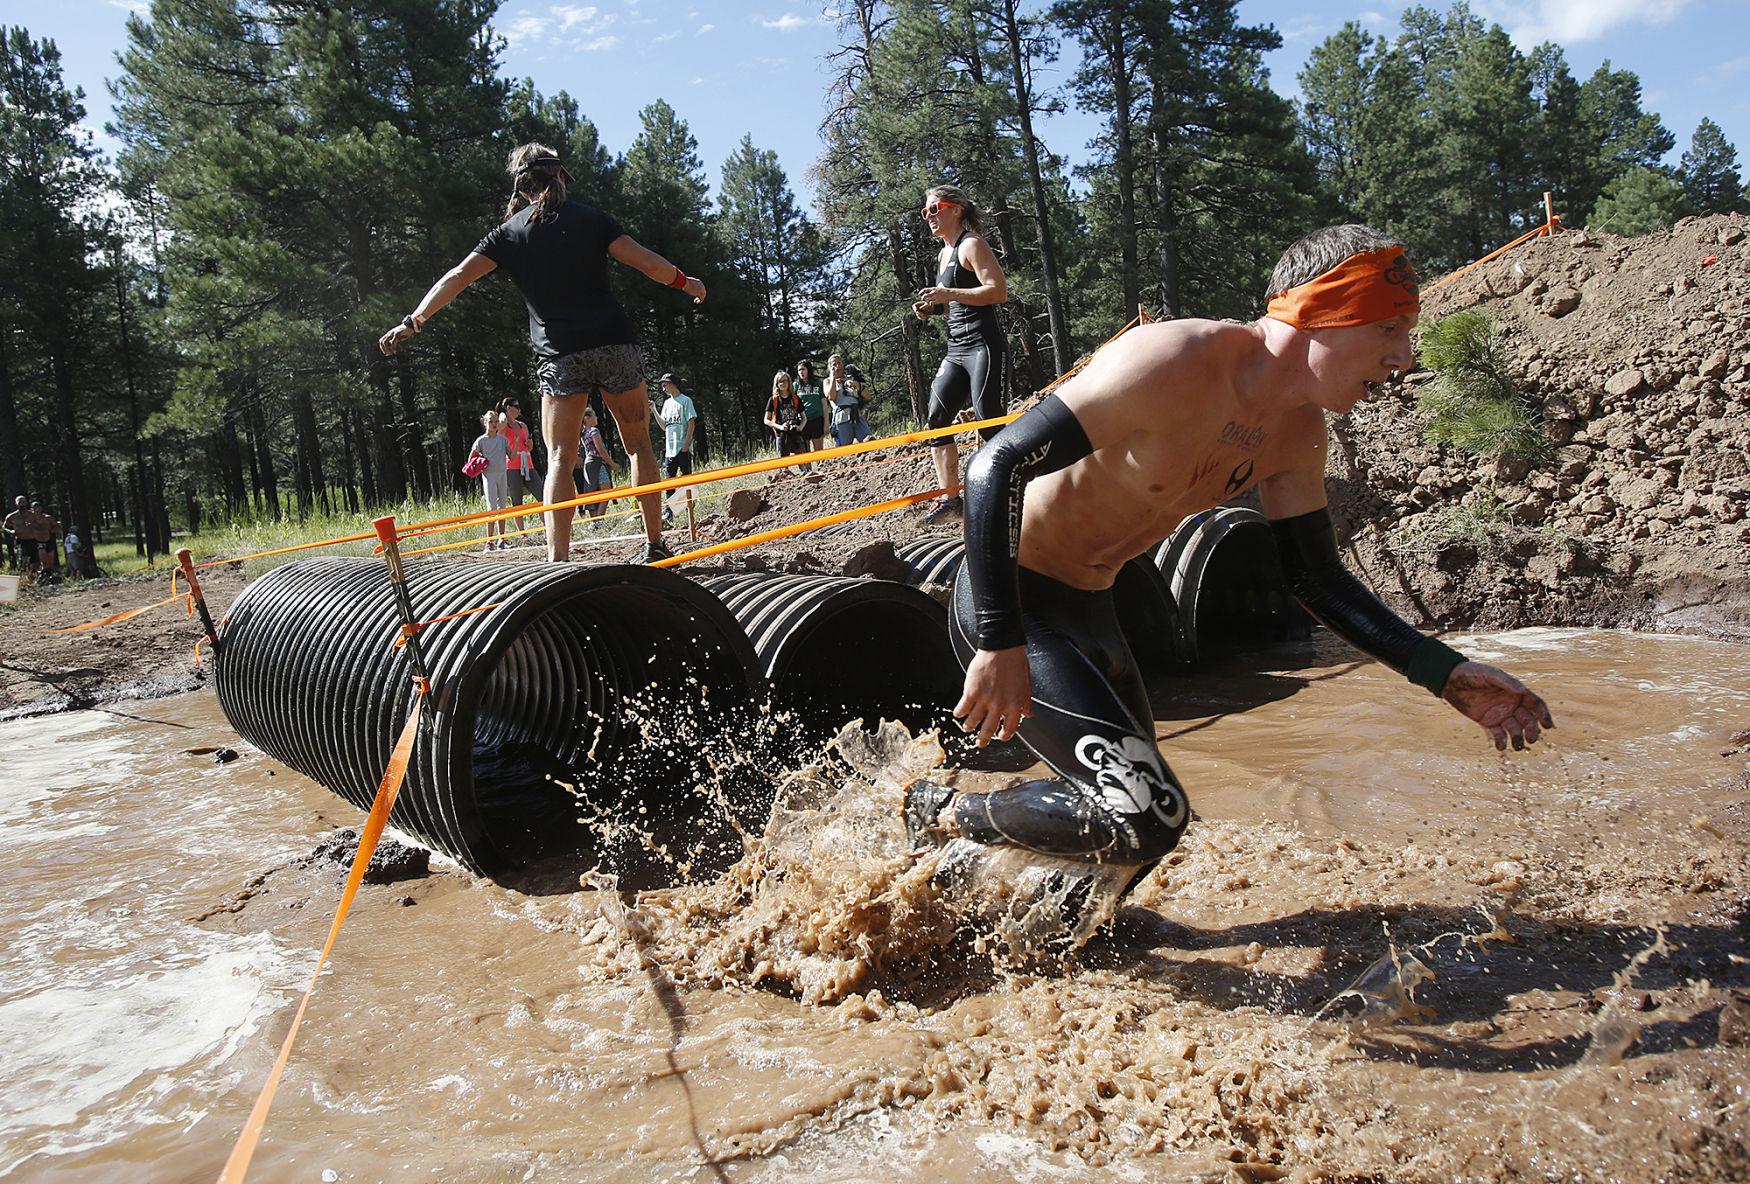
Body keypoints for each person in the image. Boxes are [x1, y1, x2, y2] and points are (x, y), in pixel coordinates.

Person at [905, 224, 1554, 907]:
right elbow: (996, 465)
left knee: (1127, 850)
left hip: (1095, 609)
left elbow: (1316, 580)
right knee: (1146, 815)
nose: (1404, 357)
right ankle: (941, 812)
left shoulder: (1299, 432)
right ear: (1319, 313)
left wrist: (1443, 673)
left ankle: (994, 919)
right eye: (1389, 330)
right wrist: (1000, 639)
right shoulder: (1178, 358)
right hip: (1012, 600)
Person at [379, 142, 706, 565]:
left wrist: (414, 320)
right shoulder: (591, 219)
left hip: (560, 355)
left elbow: (458, 277)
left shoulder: (509, 233)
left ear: (522, 184)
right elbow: (644, 261)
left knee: (558, 457)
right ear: (560, 178)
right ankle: (655, 543)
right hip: (614, 343)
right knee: (639, 446)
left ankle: (558, 562)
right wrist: (687, 283)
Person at [912, 183, 1008, 525]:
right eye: (925, 212)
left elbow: (998, 292)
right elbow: (957, 300)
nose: (929, 217)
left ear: (955, 209)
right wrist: (932, 307)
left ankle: (1003, 495)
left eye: (934, 209)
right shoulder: (943, 253)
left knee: (988, 419)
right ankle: (951, 501)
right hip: (956, 348)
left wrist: (947, 291)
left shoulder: (972, 244)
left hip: (983, 345)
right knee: (937, 419)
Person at [657, 373, 697, 527]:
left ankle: (689, 505)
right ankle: (669, 510)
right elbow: (664, 425)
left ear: (672, 384)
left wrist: (686, 446)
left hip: (683, 447)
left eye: (665, 384)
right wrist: (654, 410)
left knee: (686, 478)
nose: (663, 387)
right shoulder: (667, 404)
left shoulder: (686, 401)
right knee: (670, 480)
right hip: (670, 449)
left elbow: (691, 423)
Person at [468, 410, 512, 550]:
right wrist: (480, 463)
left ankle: (502, 539)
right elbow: (471, 459)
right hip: (489, 476)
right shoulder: (481, 441)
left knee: (503, 507)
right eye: (490, 421)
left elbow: (512, 456)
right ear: (485, 423)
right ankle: (489, 541)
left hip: (502, 474)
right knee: (492, 508)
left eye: (495, 421)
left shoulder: (503, 440)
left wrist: (517, 443)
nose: (494, 424)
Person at [496, 397, 540, 538]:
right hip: (512, 466)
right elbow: (499, 426)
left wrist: (530, 444)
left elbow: (530, 447)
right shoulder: (503, 425)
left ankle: (548, 526)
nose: (519, 409)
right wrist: (503, 414)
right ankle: (523, 534)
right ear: (508, 408)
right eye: (516, 406)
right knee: (517, 501)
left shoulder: (523, 425)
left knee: (542, 494)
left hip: (528, 464)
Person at [577, 405, 618, 521]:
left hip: (588, 465)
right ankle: (599, 520)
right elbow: (601, 450)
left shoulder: (583, 433)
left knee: (592, 492)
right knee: (606, 491)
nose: (597, 417)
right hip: (598, 463)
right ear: (587, 418)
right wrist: (612, 464)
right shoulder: (594, 431)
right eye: (594, 415)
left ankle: (595, 521)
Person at [764, 370, 805, 457]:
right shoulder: (773, 400)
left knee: (802, 460)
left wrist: (800, 427)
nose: (783, 383)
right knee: (783, 463)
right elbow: (766, 420)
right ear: (777, 383)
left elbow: (804, 417)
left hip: (796, 434)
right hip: (781, 435)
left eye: (785, 380)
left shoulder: (795, 398)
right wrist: (780, 427)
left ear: (789, 382)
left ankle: (805, 470)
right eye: (780, 381)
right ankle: (784, 471)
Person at [793, 359, 827, 453]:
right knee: (805, 450)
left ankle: (822, 467)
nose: (801, 372)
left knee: (819, 451)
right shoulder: (795, 386)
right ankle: (808, 468)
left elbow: (824, 404)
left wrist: (826, 424)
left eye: (803, 369)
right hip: (802, 421)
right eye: (799, 370)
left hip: (817, 419)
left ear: (808, 370)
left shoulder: (818, 384)